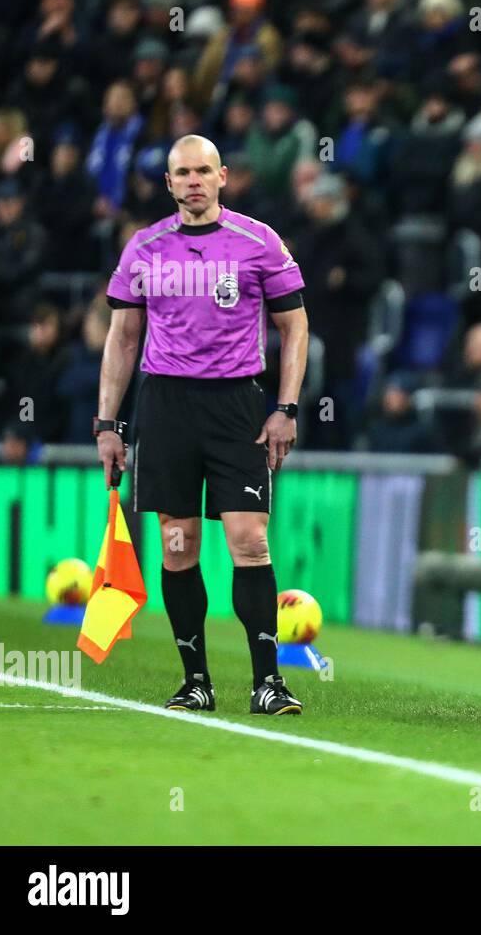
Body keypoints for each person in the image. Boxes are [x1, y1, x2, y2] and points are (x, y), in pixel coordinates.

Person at [96, 134, 310, 716]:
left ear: (223, 177)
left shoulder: (258, 241)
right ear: (168, 183)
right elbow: (122, 338)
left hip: (237, 405)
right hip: (165, 405)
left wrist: (286, 408)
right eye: (181, 172)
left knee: (249, 539)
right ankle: (196, 680)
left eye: (203, 171)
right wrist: (107, 423)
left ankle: (269, 682)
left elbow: (295, 328)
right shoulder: (143, 248)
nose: (193, 180)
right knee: (178, 543)